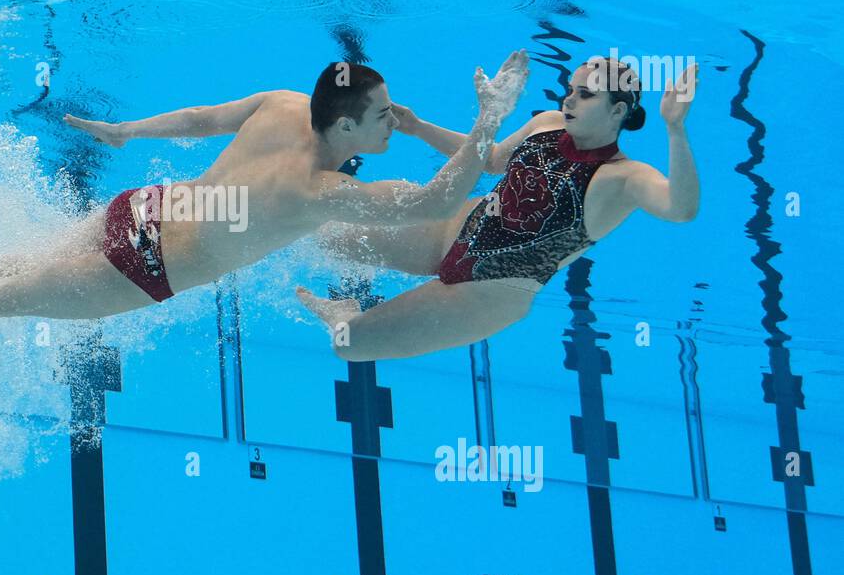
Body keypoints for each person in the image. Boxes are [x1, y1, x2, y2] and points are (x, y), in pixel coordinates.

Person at [0, 53, 529, 354]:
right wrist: (487, 122)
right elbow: (438, 196)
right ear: (343, 126)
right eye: (381, 114)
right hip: (143, 269)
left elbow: (198, 118)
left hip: (139, 209)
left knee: (17, 270)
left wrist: (126, 129)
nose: (393, 117)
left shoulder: (281, 104)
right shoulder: (322, 191)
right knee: (7, 297)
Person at [296, 56, 699, 361]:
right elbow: (489, 160)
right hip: (453, 230)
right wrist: (418, 127)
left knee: (350, 345)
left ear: (618, 112)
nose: (570, 99)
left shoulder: (624, 177)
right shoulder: (548, 123)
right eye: (572, 89)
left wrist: (675, 128)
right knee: (325, 233)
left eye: (586, 95)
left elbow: (681, 209)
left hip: (488, 292)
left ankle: (342, 313)